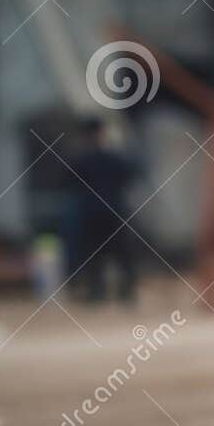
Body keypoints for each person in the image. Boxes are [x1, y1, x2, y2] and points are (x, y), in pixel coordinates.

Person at [68, 118, 141, 303]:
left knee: (95, 254)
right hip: (114, 210)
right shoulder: (113, 157)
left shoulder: (81, 160)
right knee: (121, 253)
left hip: (92, 213)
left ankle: (97, 292)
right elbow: (130, 174)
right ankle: (126, 292)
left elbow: (68, 181)